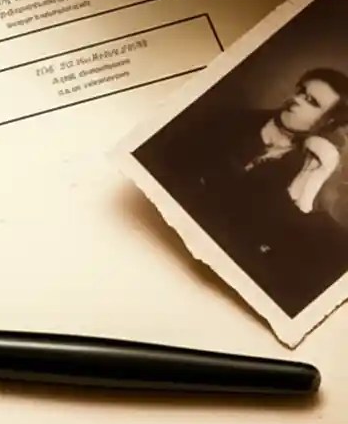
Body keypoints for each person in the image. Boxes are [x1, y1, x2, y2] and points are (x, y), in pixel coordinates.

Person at [140, 66, 348, 316]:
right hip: (157, 232)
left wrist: (314, 175)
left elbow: (273, 231)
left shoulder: (307, 166)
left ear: (328, 121)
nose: (295, 100)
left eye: (311, 102)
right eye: (301, 92)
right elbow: (164, 167)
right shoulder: (231, 121)